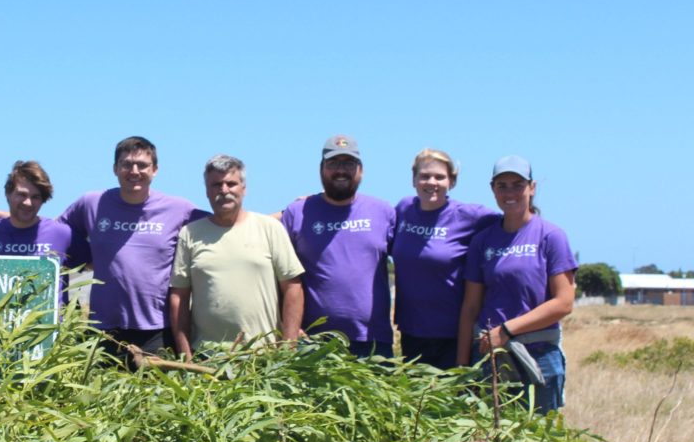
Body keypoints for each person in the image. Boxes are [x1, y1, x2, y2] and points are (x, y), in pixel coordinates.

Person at [0, 136, 204, 359]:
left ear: (155, 170)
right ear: (115, 168)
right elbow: (47, 230)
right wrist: (5, 218)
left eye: (142, 165)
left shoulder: (179, 209)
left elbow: (218, 225)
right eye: (126, 164)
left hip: (156, 329)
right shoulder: (92, 203)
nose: (134, 171)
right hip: (102, 330)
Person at [457, 156, 576, 413]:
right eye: (502, 186)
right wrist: (463, 367)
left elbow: (563, 303)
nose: (510, 192)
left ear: (531, 188)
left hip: (540, 357)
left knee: (539, 441)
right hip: (490, 359)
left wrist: (506, 331)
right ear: (493, 189)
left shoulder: (551, 236)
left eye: (517, 185)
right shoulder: (483, 241)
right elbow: (470, 307)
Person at [169, 155, 304, 357]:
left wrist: (288, 347)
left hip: (263, 355)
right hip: (206, 356)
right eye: (216, 185)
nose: (224, 190)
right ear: (207, 191)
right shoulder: (190, 234)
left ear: (243, 188)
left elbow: (293, 287)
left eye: (231, 183)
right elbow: (179, 296)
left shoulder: (270, 228)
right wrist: (185, 355)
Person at [280, 135, 395, 357]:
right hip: (313, 340)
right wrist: (291, 329)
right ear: (321, 169)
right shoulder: (297, 213)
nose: (341, 170)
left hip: (372, 340)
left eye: (348, 164)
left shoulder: (383, 212)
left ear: (360, 170)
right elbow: (279, 277)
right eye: (333, 163)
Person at [392, 149, 499, 368]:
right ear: (414, 180)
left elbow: (512, 222)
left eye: (440, 177)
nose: (432, 182)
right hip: (411, 331)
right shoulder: (404, 209)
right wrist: (317, 201)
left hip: (453, 335)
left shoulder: (469, 215)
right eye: (425, 176)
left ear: (451, 181)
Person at [0, 161, 73, 263]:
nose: (28, 203)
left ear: (43, 200)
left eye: (35, 197)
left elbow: (88, 262)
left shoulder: (62, 233)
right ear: (8, 194)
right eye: (22, 195)